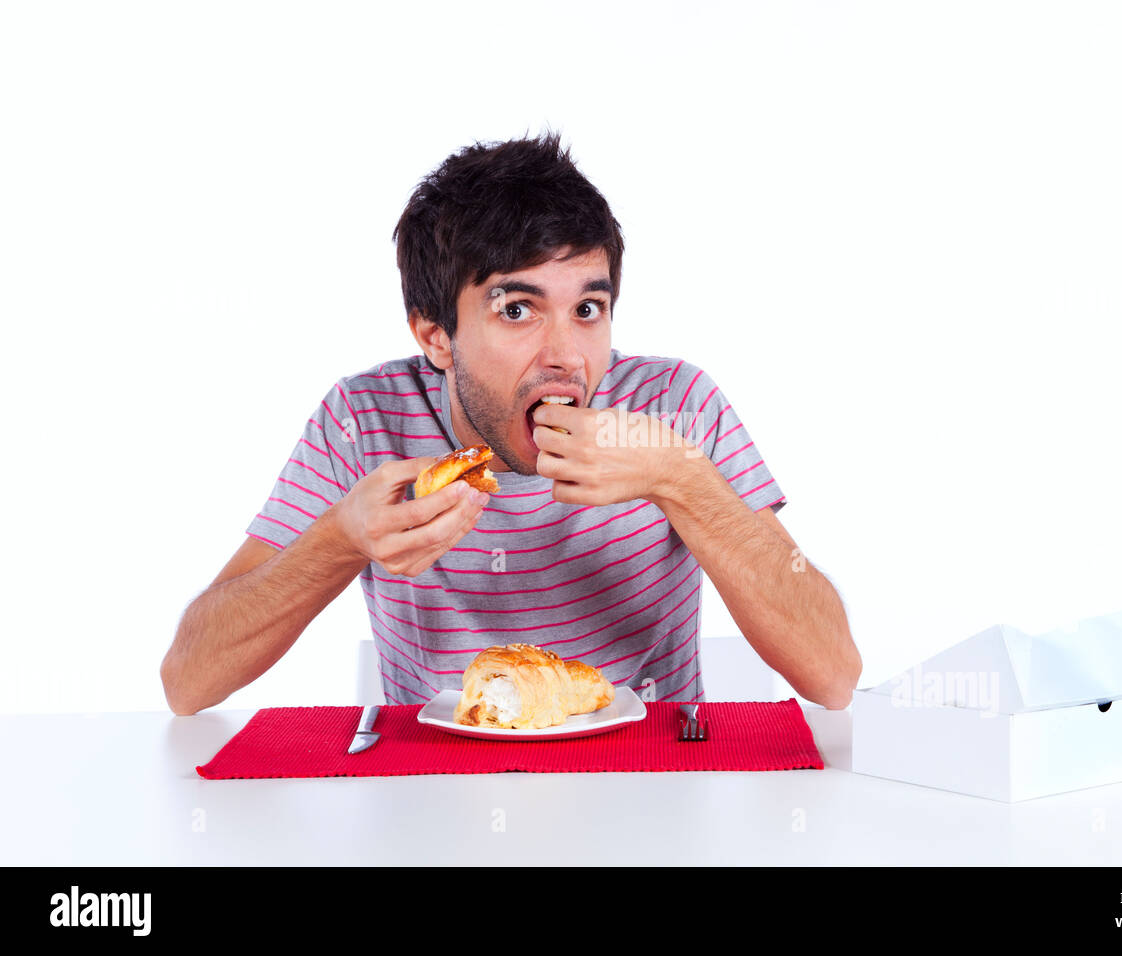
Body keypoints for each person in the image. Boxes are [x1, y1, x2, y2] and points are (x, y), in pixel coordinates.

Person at [160, 133, 861, 715]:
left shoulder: (674, 406)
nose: (566, 357)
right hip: (436, 798)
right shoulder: (364, 419)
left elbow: (833, 674)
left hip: (650, 792)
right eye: (518, 310)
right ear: (436, 336)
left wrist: (681, 481)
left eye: (587, 309)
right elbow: (187, 683)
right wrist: (339, 541)